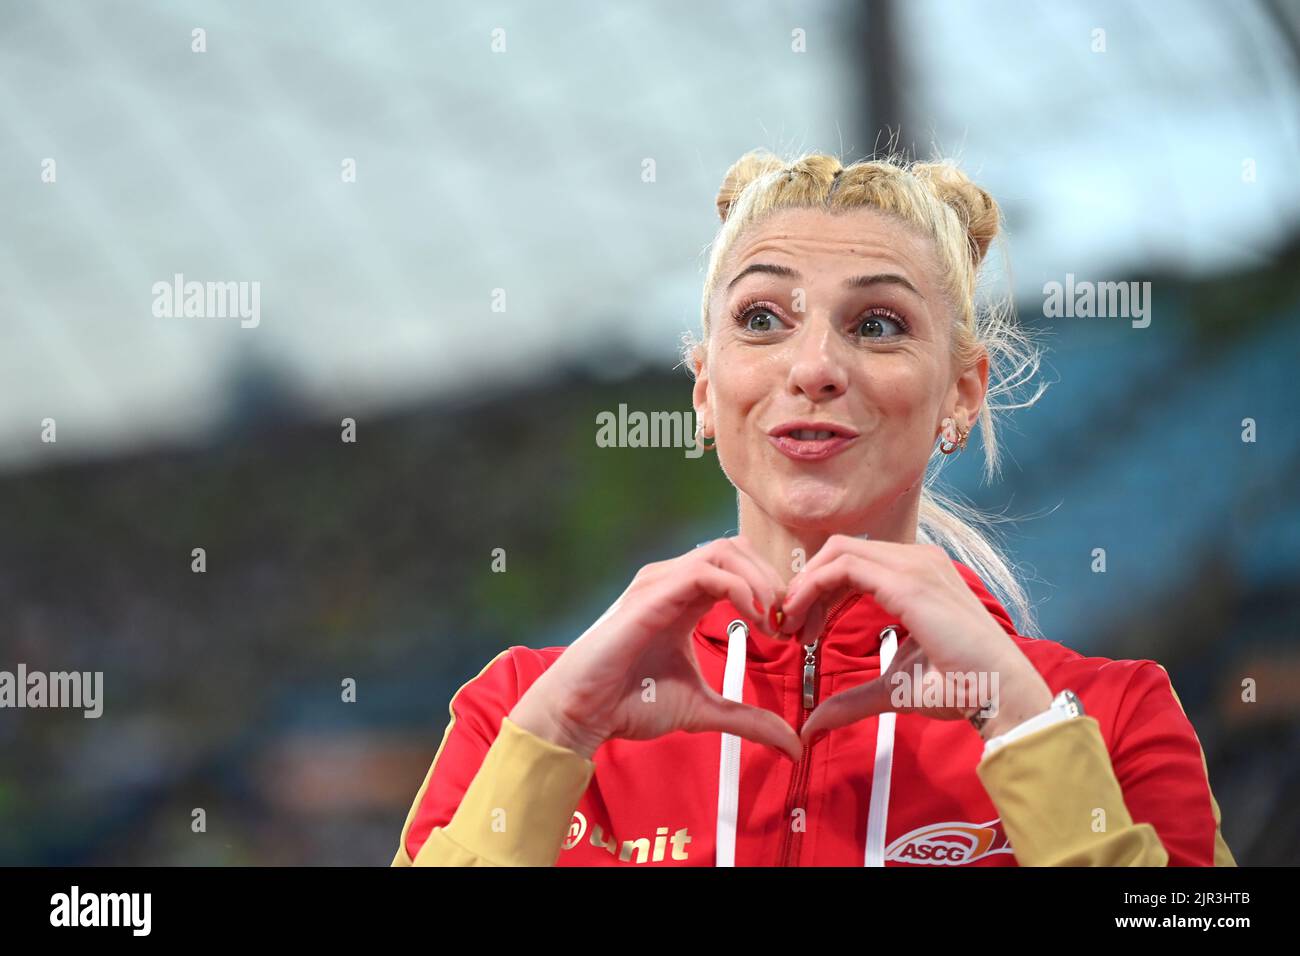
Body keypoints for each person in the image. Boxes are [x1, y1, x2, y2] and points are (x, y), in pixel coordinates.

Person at [391, 149, 1235, 867]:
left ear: (962, 393)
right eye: (762, 318)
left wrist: (1020, 727)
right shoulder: (520, 711)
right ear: (705, 391)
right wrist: (557, 737)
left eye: (877, 324)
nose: (816, 366)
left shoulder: (1108, 718)